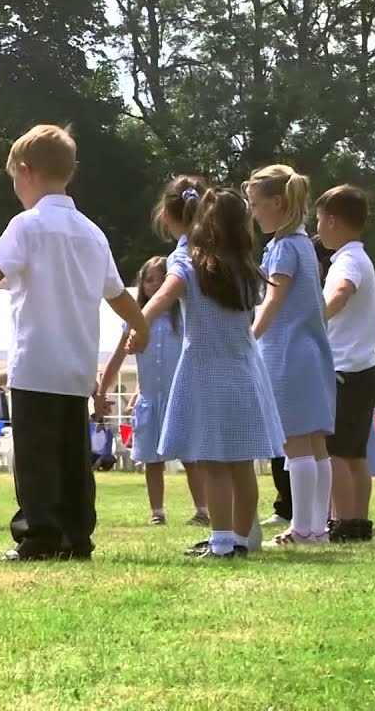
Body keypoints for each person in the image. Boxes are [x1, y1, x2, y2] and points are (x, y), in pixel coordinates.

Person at [0, 124, 149, 561]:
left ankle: (39, 536)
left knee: (36, 457)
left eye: (14, 179)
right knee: (73, 458)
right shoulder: (92, 233)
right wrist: (142, 327)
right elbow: (118, 294)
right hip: (76, 366)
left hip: (36, 362)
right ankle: (77, 537)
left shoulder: (26, 225)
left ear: (26, 170)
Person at [128, 188, 284, 559]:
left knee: (213, 464)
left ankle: (221, 540)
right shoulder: (249, 271)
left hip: (204, 373)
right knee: (243, 465)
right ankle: (243, 540)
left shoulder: (190, 266)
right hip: (244, 372)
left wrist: (140, 328)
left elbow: (161, 298)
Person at [246, 164, 336, 546]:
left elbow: (272, 300)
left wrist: (248, 339)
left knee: (294, 443)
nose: (252, 212)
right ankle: (317, 528)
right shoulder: (302, 244)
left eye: (255, 204)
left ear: (277, 203)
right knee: (316, 445)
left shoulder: (283, 248)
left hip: (285, 354)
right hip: (312, 353)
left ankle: (302, 527)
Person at [100, 254, 208, 526]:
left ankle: (202, 510)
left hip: (179, 397)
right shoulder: (135, 321)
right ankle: (157, 512)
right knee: (152, 460)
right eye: (149, 280)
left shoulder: (182, 318)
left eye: (161, 280)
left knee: (191, 458)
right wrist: (102, 391)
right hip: (150, 399)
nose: (154, 285)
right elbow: (116, 358)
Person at [315, 185, 375, 543]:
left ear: (333, 220)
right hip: (364, 366)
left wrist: (315, 319)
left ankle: (342, 522)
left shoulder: (347, 260)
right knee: (355, 453)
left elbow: (340, 291)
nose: (318, 228)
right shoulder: (359, 256)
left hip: (345, 368)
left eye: (320, 221)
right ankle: (358, 522)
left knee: (335, 451)